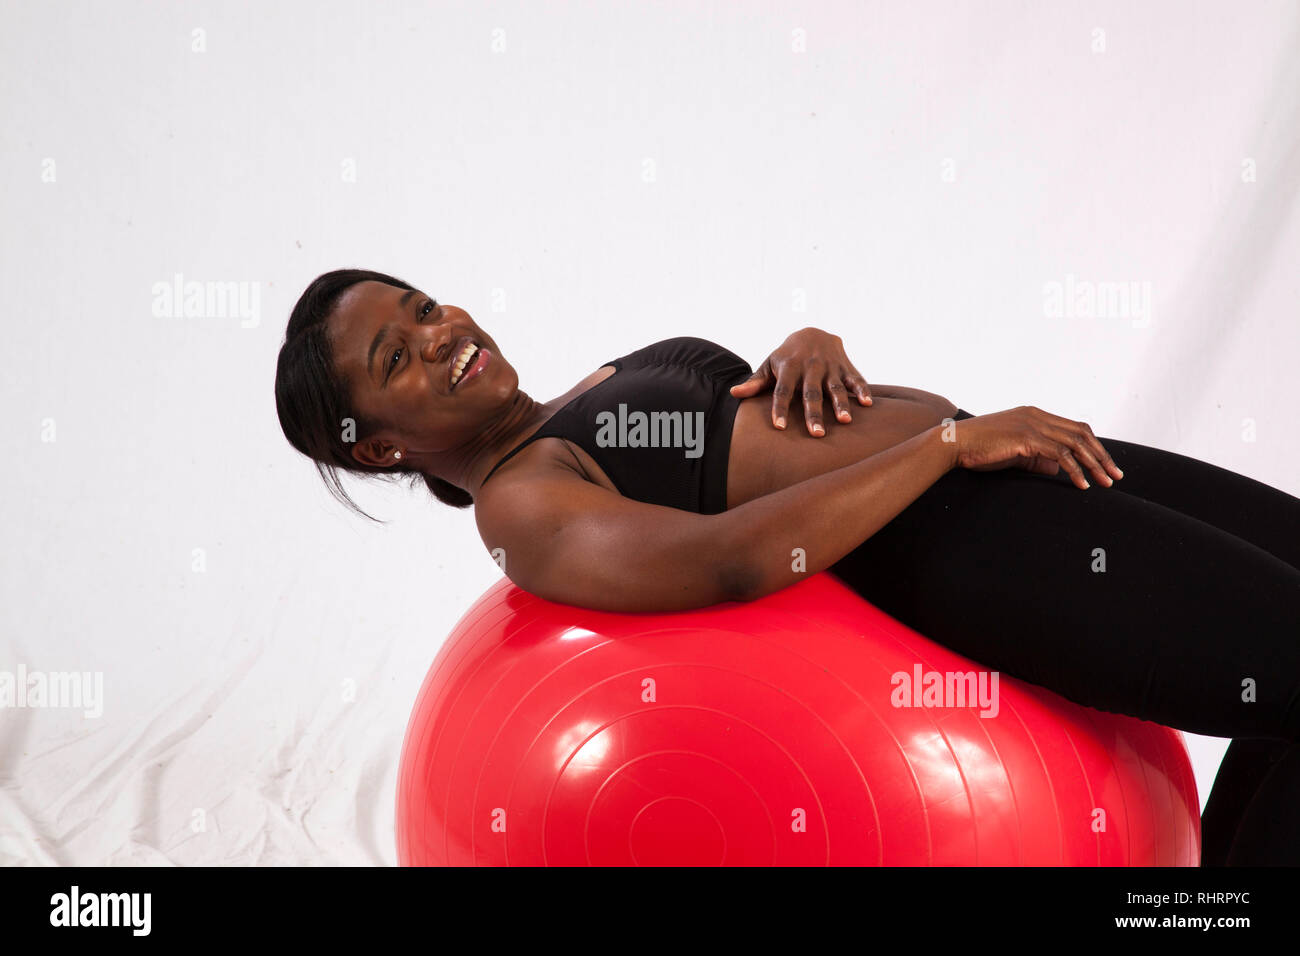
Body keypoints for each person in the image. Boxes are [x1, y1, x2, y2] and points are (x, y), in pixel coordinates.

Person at [275, 268, 1300, 866]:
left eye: (418, 308)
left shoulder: (585, 390)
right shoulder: (519, 498)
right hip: (968, 538)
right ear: (376, 445)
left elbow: (757, 436)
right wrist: (944, 448)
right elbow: (727, 558)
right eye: (397, 358)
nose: (437, 333)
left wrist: (807, 349)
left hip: (1018, 461)